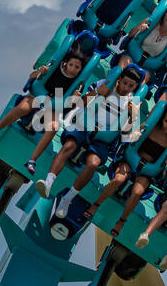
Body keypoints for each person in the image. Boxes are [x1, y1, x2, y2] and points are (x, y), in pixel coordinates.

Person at [37, 64, 146, 213]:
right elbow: (80, 102)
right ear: (119, 79)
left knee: (93, 163)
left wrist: (132, 115)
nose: (126, 88)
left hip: (102, 140)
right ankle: (48, 182)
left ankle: (68, 198)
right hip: (84, 127)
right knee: (69, 145)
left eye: (131, 86)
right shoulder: (104, 83)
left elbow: (125, 135)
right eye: (125, 83)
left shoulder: (132, 103)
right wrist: (96, 92)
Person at [0, 50, 89, 174]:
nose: (73, 69)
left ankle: (32, 160)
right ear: (65, 64)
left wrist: (74, 99)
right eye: (71, 65)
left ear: (80, 70)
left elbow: (69, 107)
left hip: (53, 105)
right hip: (38, 96)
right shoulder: (55, 68)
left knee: (54, 127)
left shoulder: (78, 84)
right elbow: (32, 78)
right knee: (23, 107)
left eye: (77, 67)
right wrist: (39, 72)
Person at [107, 99, 167, 237]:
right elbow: (126, 138)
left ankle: (122, 221)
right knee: (118, 179)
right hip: (131, 161)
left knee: (137, 191)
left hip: (147, 172)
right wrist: (134, 132)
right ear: (162, 119)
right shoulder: (150, 127)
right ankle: (96, 205)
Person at [121, 0, 167, 69]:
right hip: (132, 54)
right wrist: (139, 28)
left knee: (143, 78)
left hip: (149, 66)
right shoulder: (151, 22)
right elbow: (131, 34)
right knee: (120, 68)